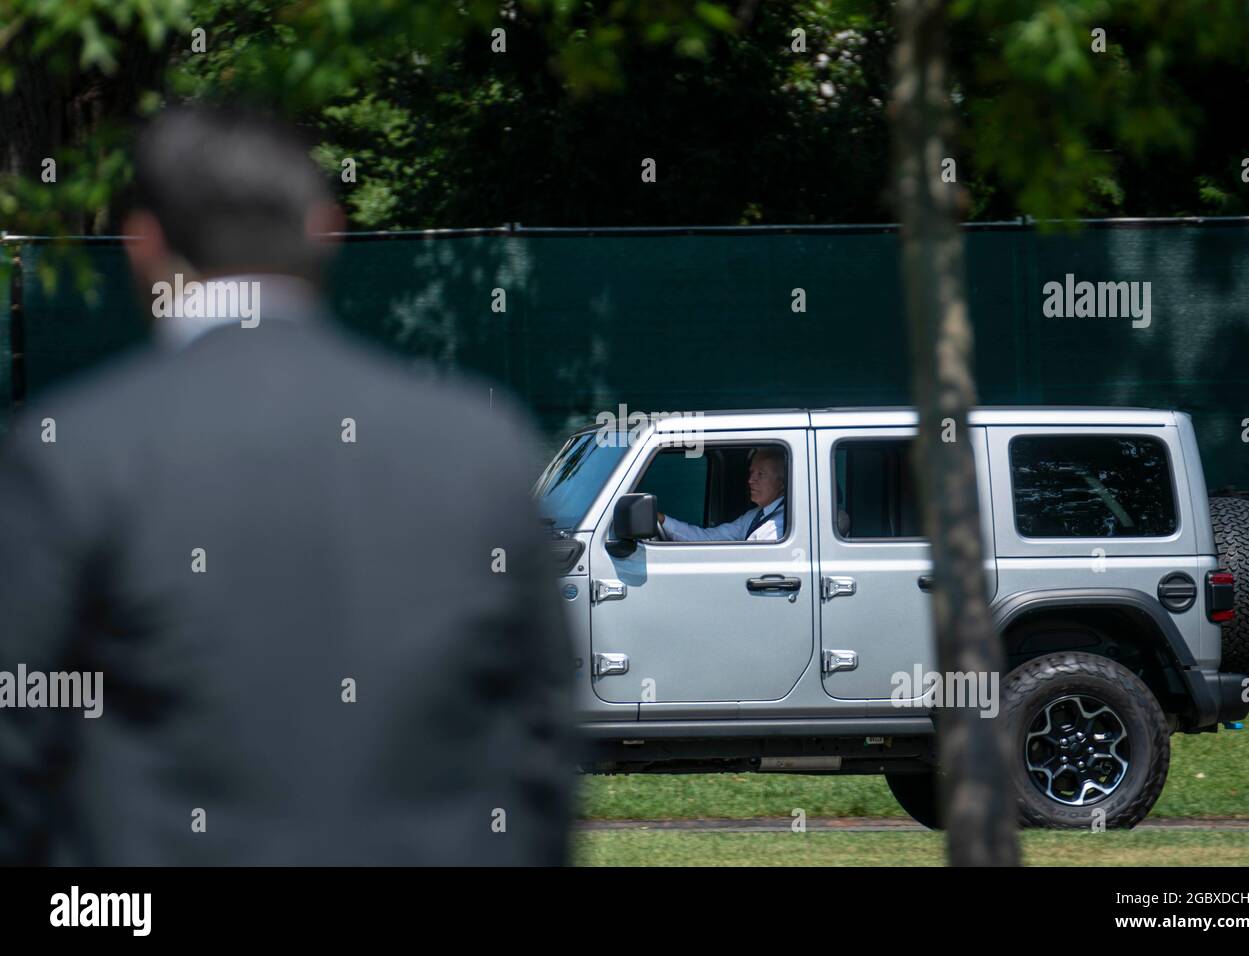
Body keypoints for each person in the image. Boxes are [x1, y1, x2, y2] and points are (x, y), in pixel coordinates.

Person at [0, 106, 575, 866]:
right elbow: (541, 749)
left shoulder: (70, 455)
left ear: (142, 246)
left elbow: (19, 750)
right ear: (327, 228)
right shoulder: (483, 447)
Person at [658, 447, 787, 542]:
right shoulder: (755, 515)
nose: (750, 480)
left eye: (760, 474)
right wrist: (663, 521)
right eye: (751, 473)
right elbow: (709, 538)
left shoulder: (782, 522)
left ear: (781, 483)